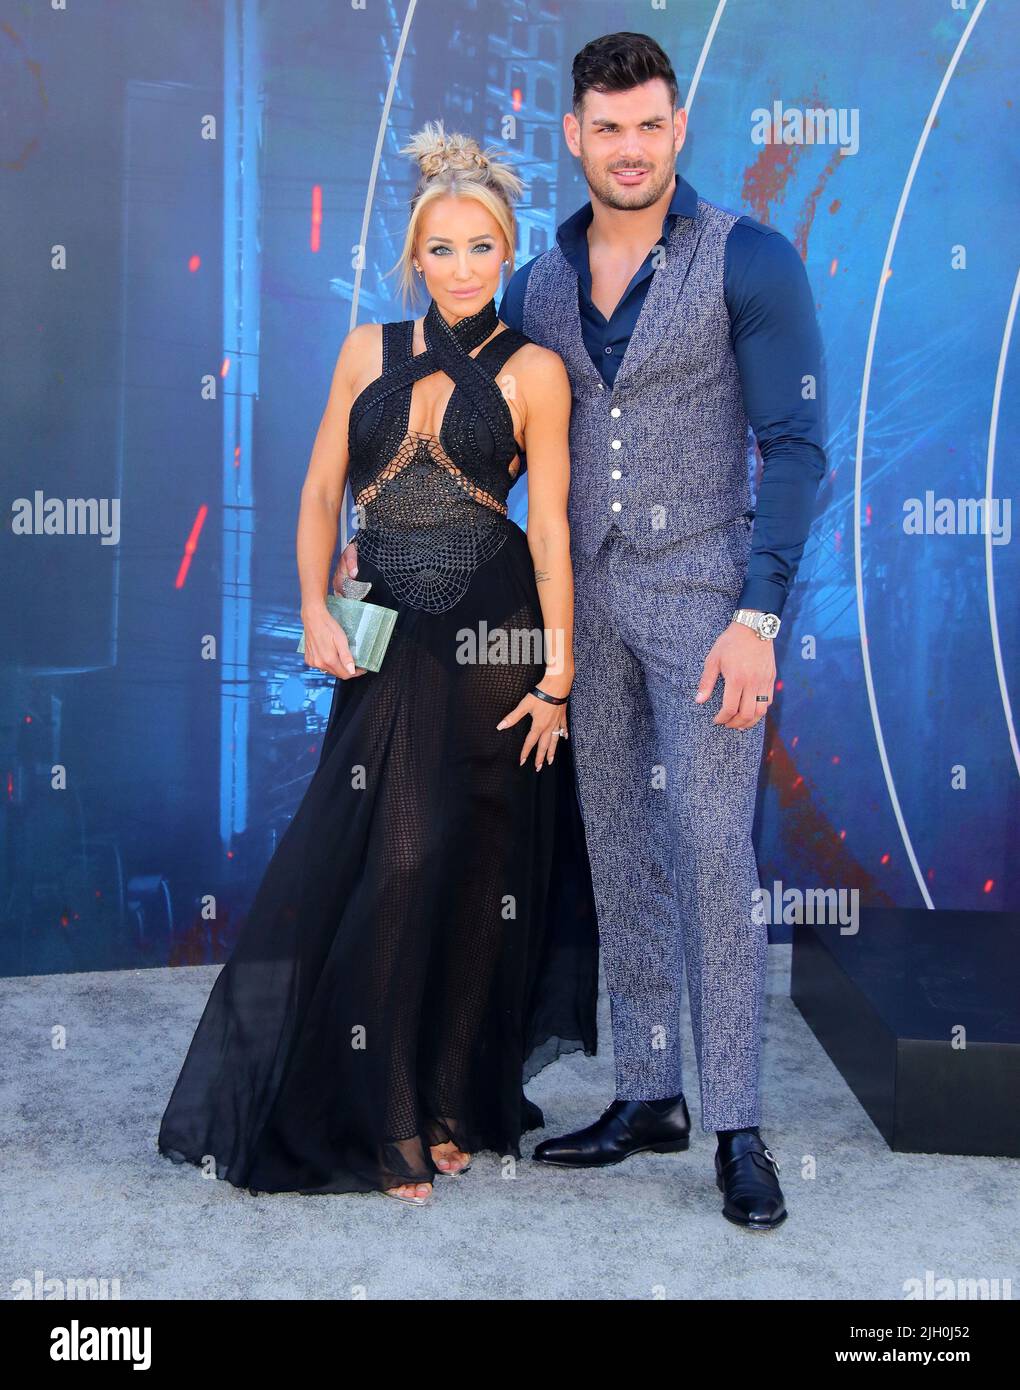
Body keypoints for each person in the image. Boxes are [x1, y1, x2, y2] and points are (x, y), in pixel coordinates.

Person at [339, 33, 826, 1230]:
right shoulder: (538, 278)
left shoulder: (749, 258)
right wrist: (372, 535)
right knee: (615, 842)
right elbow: (478, 437)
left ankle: (738, 1125)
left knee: (710, 844)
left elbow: (796, 448)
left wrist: (759, 614)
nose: (630, 147)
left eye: (649, 125)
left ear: (678, 127)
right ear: (575, 135)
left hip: (707, 597)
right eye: (607, 128)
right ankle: (649, 1091)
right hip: (575, 610)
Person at [158, 120, 599, 1205]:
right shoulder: (367, 350)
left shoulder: (538, 370)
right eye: (441, 248)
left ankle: (449, 1101)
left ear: (508, 251)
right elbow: (320, 490)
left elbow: (549, 532)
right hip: (386, 631)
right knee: (399, 863)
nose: (461, 267)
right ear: (415, 255)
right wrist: (312, 604)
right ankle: (388, 1106)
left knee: (479, 871)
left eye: (481, 247)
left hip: (498, 635)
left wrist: (559, 677)